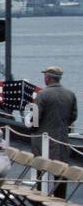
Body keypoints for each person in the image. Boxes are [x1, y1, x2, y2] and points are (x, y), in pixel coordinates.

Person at [34, 66, 77, 198]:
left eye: (45, 76)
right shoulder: (70, 94)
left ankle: (41, 197)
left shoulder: (42, 94)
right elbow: (73, 116)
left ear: (48, 78)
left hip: (43, 136)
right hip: (61, 137)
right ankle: (59, 197)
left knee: (41, 166)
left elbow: (36, 117)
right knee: (61, 167)